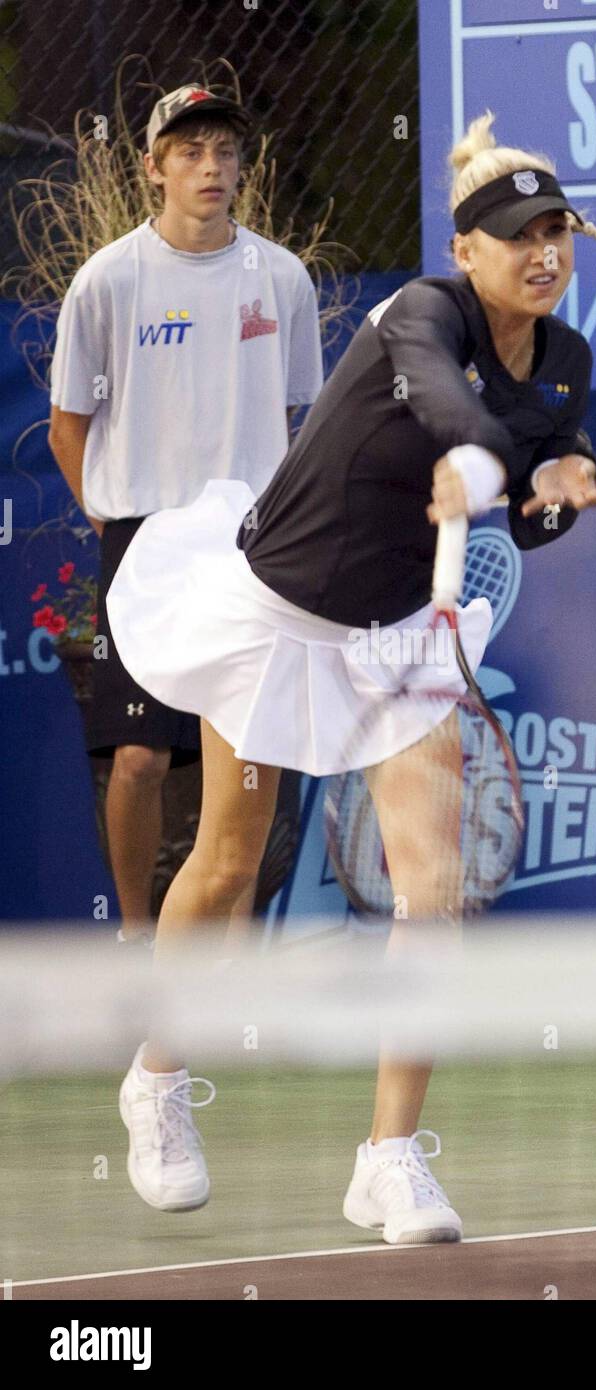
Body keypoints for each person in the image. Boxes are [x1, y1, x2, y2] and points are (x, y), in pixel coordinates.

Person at [107, 112, 596, 1243]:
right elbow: (440, 399)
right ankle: (157, 1079)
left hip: (396, 631)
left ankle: (388, 1156)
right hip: (277, 610)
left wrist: (555, 490)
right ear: (466, 252)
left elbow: (537, 509)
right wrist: (484, 459)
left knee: (437, 888)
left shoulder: (565, 360)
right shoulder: (419, 312)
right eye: (518, 235)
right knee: (226, 865)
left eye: (556, 231)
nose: (544, 253)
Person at [47, 84, 323, 943]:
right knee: (136, 757)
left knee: (242, 757)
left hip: (250, 547)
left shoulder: (280, 277)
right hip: (143, 542)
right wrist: (116, 527)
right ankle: (138, 940)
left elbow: (294, 419)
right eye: (190, 152)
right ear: (152, 168)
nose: (211, 168)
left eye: (226, 153)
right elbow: (67, 428)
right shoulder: (107, 280)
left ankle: (231, 951)